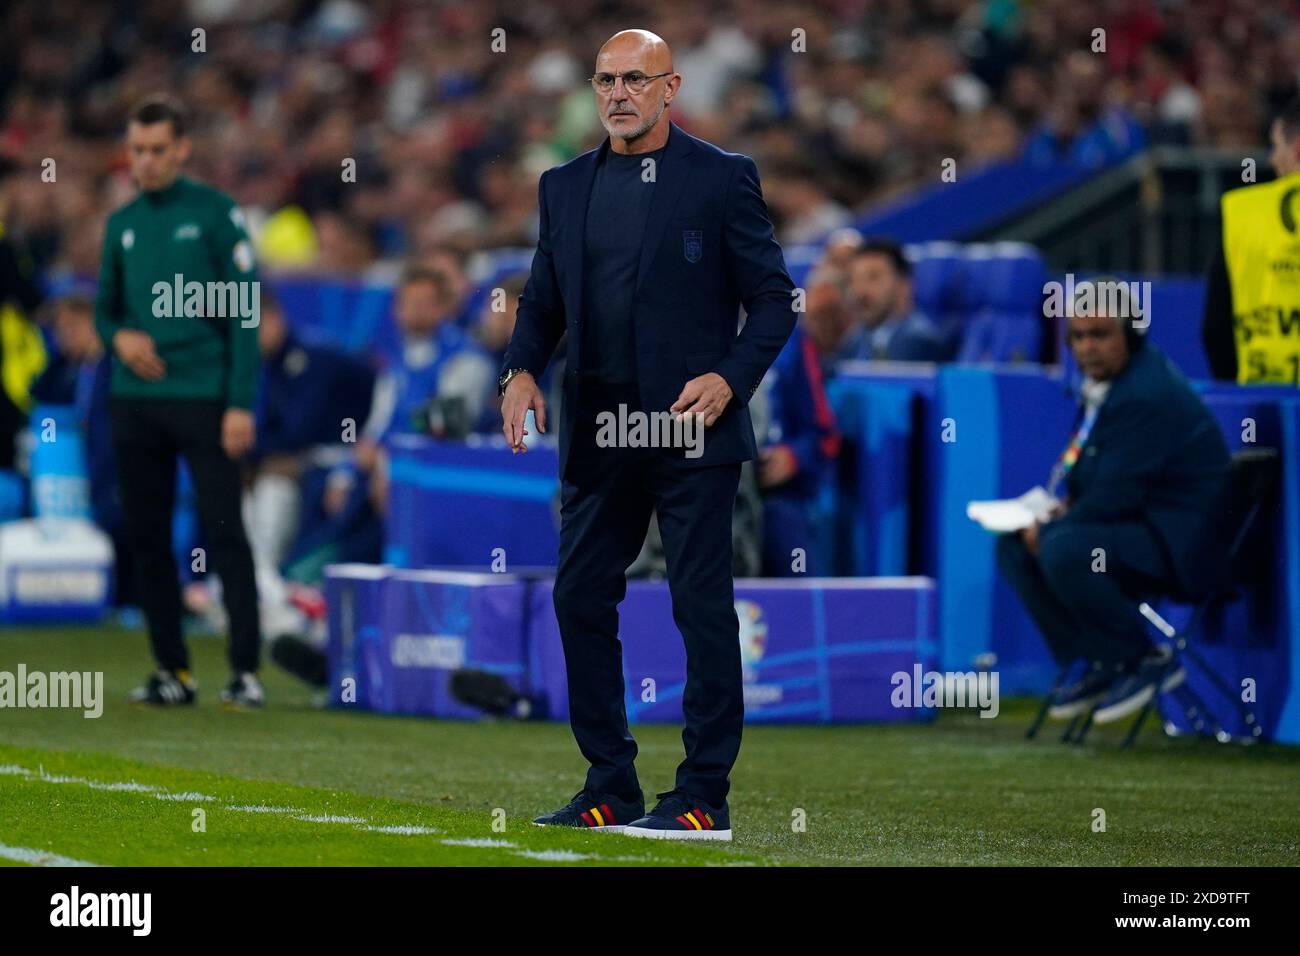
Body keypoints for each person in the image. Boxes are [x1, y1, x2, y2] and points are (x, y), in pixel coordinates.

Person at [499, 29, 795, 841]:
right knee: (578, 593)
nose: (618, 93)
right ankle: (611, 783)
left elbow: (774, 301)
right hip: (599, 425)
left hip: (689, 423)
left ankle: (704, 794)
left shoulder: (722, 177)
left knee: (700, 604)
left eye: (635, 79)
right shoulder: (563, 185)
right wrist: (519, 371)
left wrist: (732, 376)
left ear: (669, 89)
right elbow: (542, 300)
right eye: (605, 80)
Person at [93, 95, 264, 708]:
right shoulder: (122, 223)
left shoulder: (217, 215)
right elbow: (104, 311)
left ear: (182, 148)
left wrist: (240, 402)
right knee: (146, 533)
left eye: (157, 149)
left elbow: (244, 313)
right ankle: (174, 671)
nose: (146, 161)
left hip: (204, 397)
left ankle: (245, 671)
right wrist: (120, 338)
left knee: (224, 531)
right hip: (134, 399)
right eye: (137, 150)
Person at [996, 281, 1230, 726]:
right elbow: (1100, 484)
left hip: (1184, 545)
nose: (1088, 348)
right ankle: (1095, 660)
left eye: (1101, 334)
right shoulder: (1106, 387)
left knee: (1061, 548)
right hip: (1138, 528)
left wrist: (1051, 528)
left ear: (1132, 335)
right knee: (1012, 547)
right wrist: (1057, 513)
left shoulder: (1145, 394)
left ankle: (1142, 660)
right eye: (1078, 337)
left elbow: (1116, 495)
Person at [1201, 97, 1300, 384]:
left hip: (1263, 396)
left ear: (1296, 148)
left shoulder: (1244, 212)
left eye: (1276, 145)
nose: (1271, 159)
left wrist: (1239, 393)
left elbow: (1215, 329)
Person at [841, 238, 946, 363]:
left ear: (903, 285)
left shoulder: (918, 341)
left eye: (873, 278)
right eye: (855, 280)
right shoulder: (855, 339)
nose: (860, 291)